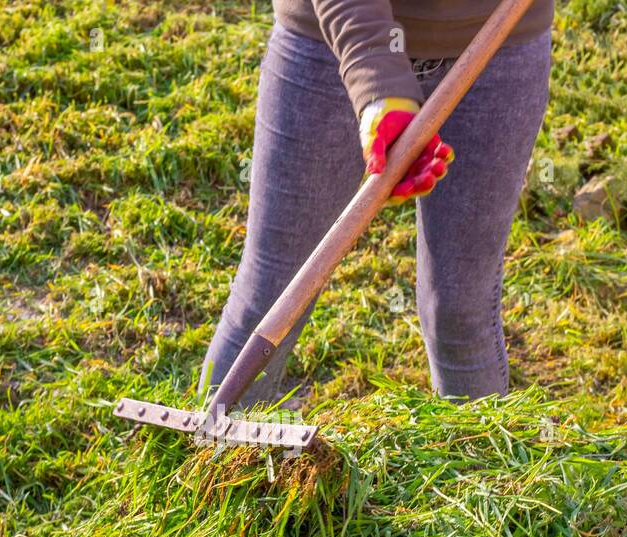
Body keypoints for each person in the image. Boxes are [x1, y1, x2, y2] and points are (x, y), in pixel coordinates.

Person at [199, 0, 555, 409]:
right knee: (271, 289)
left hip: (499, 41)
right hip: (332, 39)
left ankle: (479, 469)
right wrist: (377, 83)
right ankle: (212, 454)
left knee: (459, 307)